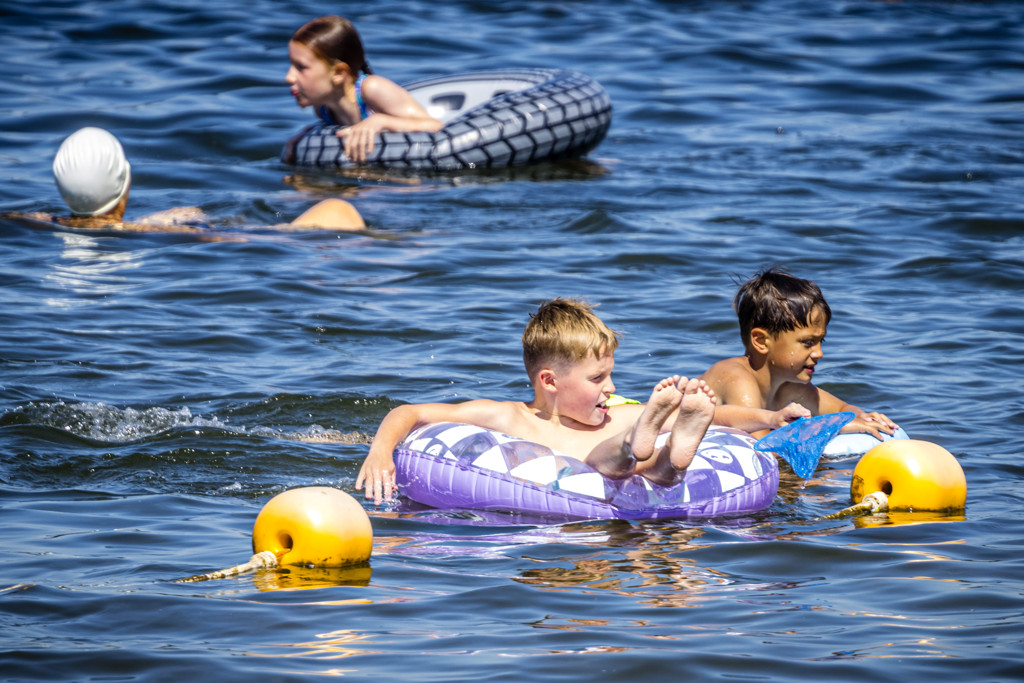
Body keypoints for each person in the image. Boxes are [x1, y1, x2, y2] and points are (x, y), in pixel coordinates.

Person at [356, 298, 805, 504]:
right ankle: (638, 448)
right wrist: (381, 452)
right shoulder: (507, 417)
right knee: (621, 453)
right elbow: (411, 413)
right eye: (598, 378)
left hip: (636, 477)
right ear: (549, 381)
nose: (611, 387)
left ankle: (667, 455)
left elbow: (721, 418)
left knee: (658, 461)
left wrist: (770, 416)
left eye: (610, 374)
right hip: (607, 465)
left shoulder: (615, 413)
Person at [17, 127, 365, 232]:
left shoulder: (47, 222)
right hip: (237, 240)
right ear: (124, 181)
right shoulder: (156, 231)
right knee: (337, 209)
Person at [700, 266, 899, 439]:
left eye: (821, 341)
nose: (819, 353)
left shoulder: (789, 388)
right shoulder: (737, 379)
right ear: (761, 341)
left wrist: (863, 418)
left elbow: (843, 410)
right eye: (808, 342)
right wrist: (833, 427)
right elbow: (761, 445)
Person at [283, 15, 442, 164]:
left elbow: (435, 126)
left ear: (339, 73)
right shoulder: (322, 108)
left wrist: (382, 121)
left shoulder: (372, 90)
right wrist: (304, 135)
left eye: (301, 67)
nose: (289, 77)